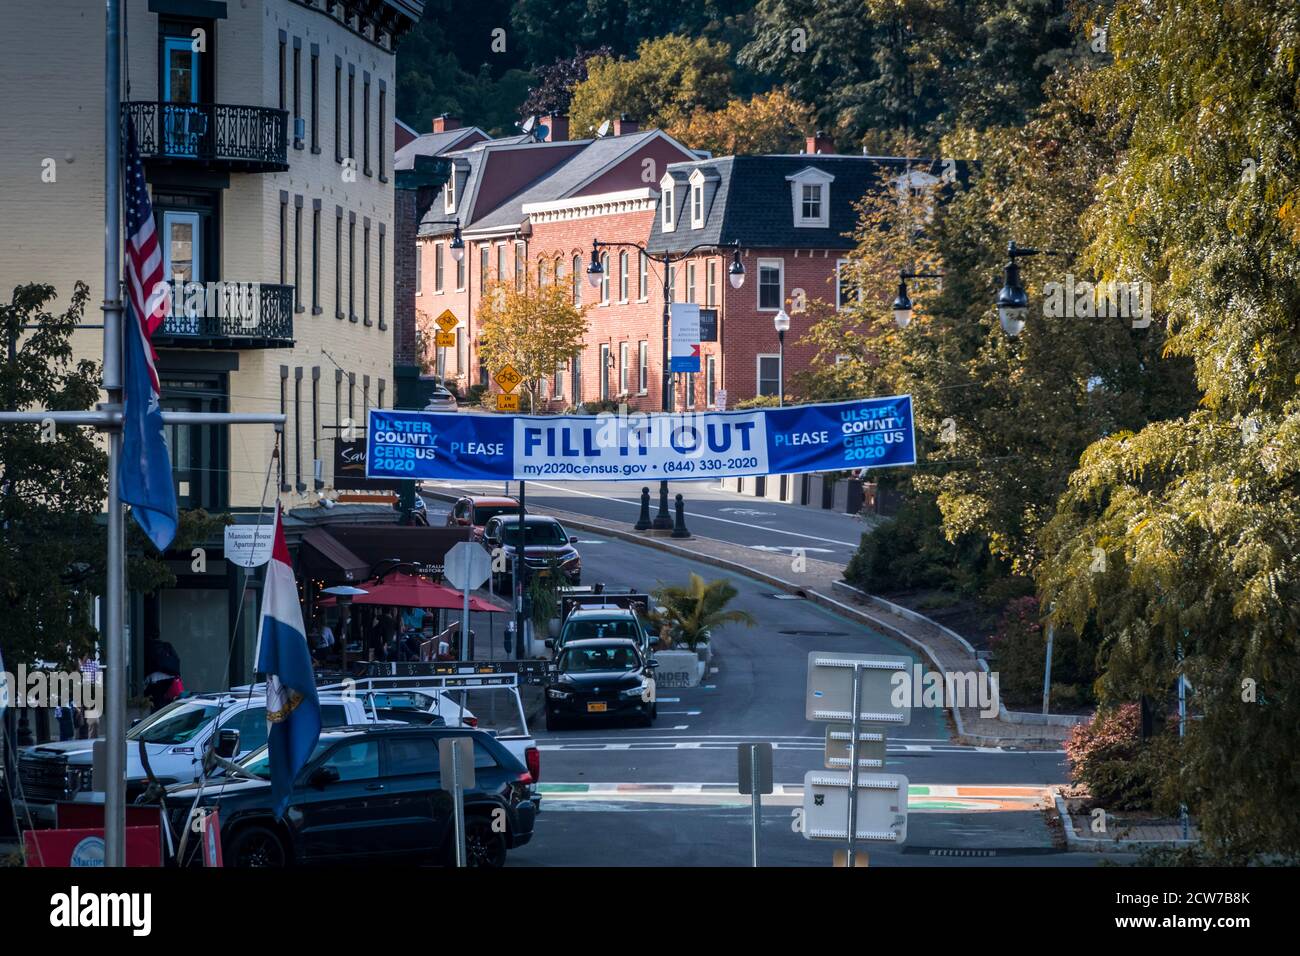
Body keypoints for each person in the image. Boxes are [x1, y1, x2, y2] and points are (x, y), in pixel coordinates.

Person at [143, 635, 183, 712]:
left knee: (156, 702)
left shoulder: (147, 647)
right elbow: (176, 660)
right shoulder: (166, 646)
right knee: (168, 701)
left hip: (154, 679)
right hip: (170, 677)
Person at [79, 654, 101, 738]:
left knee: (93, 723)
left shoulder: (93, 666)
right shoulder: (72, 664)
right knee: (77, 727)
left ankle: (91, 744)